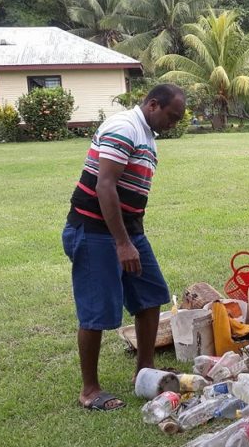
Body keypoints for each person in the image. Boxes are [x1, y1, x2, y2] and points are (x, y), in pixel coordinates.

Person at [62, 84, 187, 410]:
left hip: (127, 231)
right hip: (94, 230)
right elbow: (105, 186)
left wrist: (133, 238)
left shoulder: (146, 134)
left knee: (150, 296)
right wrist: (121, 243)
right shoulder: (124, 127)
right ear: (153, 105)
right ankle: (89, 390)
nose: (173, 123)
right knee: (97, 310)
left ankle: (144, 372)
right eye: (171, 117)